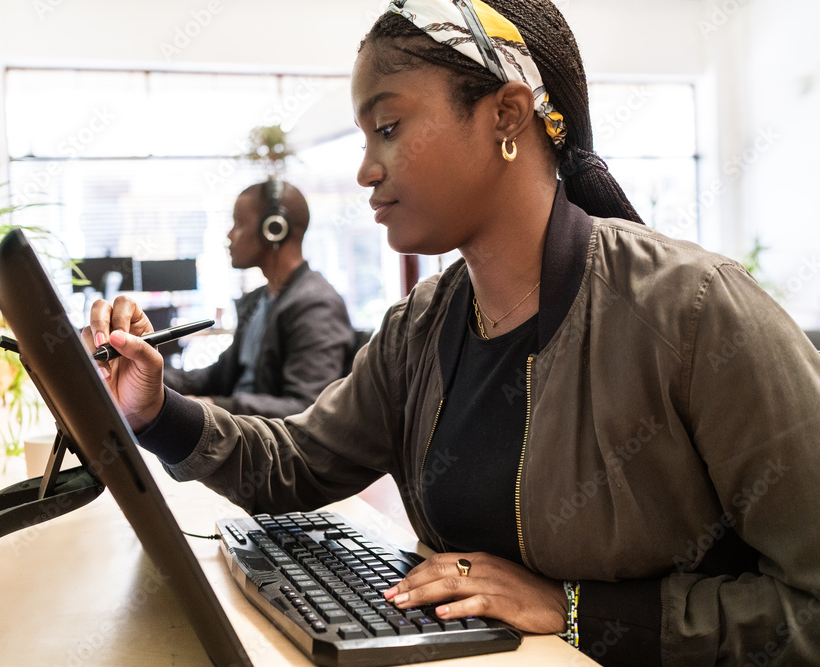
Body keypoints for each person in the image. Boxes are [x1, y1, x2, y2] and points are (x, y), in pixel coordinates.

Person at [84, 1, 820, 665]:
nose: (368, 167)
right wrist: (153, 409)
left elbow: (809, 608)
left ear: (507, 113)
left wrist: (574, 610)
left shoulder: (694, 311)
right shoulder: (421, 326)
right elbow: (297, 462)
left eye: (389, 127)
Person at [160, 178, 355, 418]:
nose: (229, 235)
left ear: (274, 229)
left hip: (269, 447)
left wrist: (212, 405)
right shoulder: (259, 300)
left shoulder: (316, 306)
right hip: (242, 433)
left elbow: (307, 407)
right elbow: (214, 376)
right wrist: (150, 376)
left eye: (238, 223)